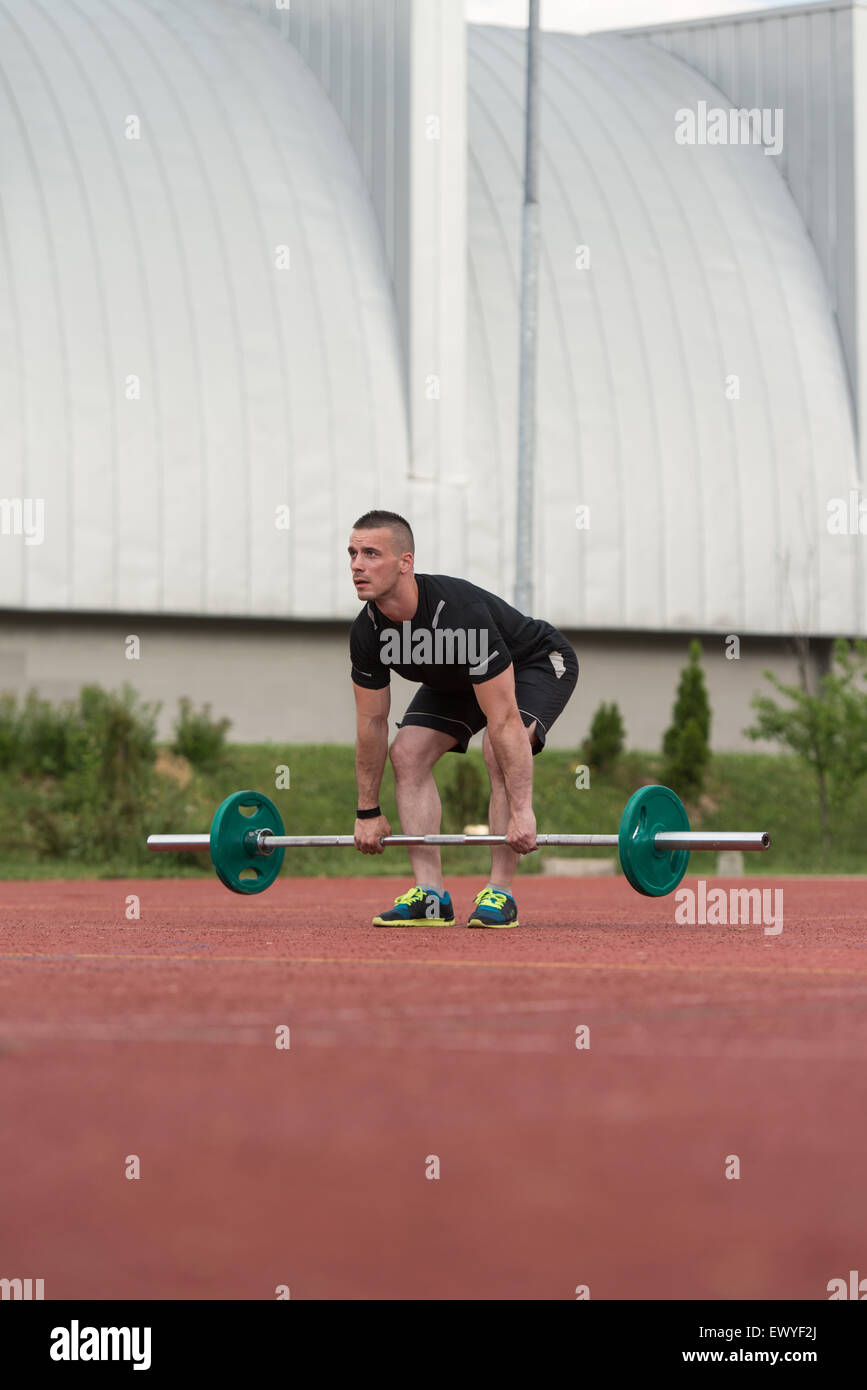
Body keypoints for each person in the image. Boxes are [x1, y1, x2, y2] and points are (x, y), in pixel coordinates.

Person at [349, 510, 579, 928]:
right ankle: (431, 895)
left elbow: (505, 720)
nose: (357, 565)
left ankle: (500, 892)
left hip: (533, 663)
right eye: (352, 554)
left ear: (405, 562)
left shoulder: (459, 615)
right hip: (456, 679)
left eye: (370, 554)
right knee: (408, 753)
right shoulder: (367, 633)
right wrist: (367, 811)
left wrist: (523, 813)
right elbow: (372, 724)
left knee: (497, 747)